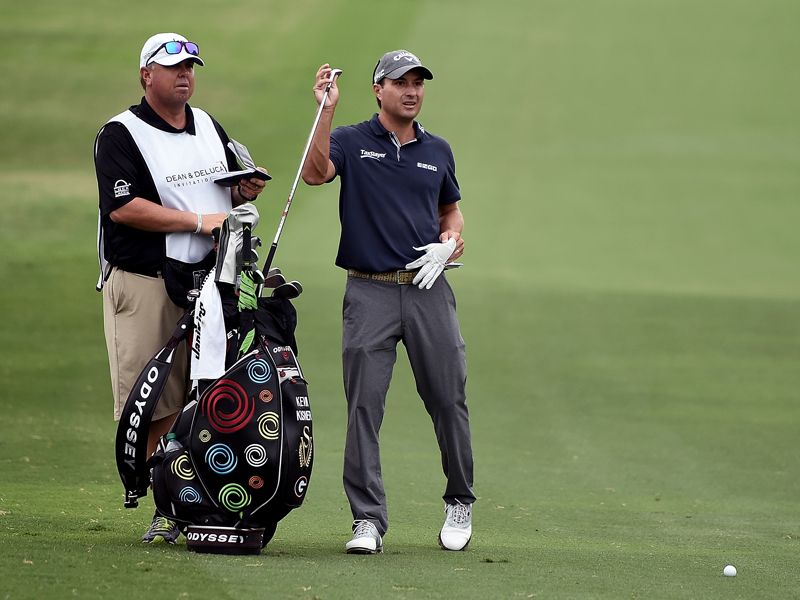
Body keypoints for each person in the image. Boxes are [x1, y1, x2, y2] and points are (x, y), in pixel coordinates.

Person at [93, 32, 268, 544]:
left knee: (202, 393)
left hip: (208, 284)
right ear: (146, 75)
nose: (184, 75)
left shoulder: (208, 125)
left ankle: (192, 501)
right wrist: (199, 222)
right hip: (145, 282)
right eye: (172, 68)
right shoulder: (121, 134)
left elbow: (224, 186)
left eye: (190, 66)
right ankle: (164, 506)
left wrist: (243, 188)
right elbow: (124, 208)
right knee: (153, 402)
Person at [302, 50, 475, 553]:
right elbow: (315, 173)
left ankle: (459, 501)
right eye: (401, 82)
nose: (412, 90)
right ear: (379, 89)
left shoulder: (437, 149)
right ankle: (368, 520)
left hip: (428, 289)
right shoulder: (353, 141)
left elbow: (452, 210)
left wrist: (450, 241)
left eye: (419, 82)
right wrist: (325, 110)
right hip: (369, 289)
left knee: (448, 399)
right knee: (364, 407)